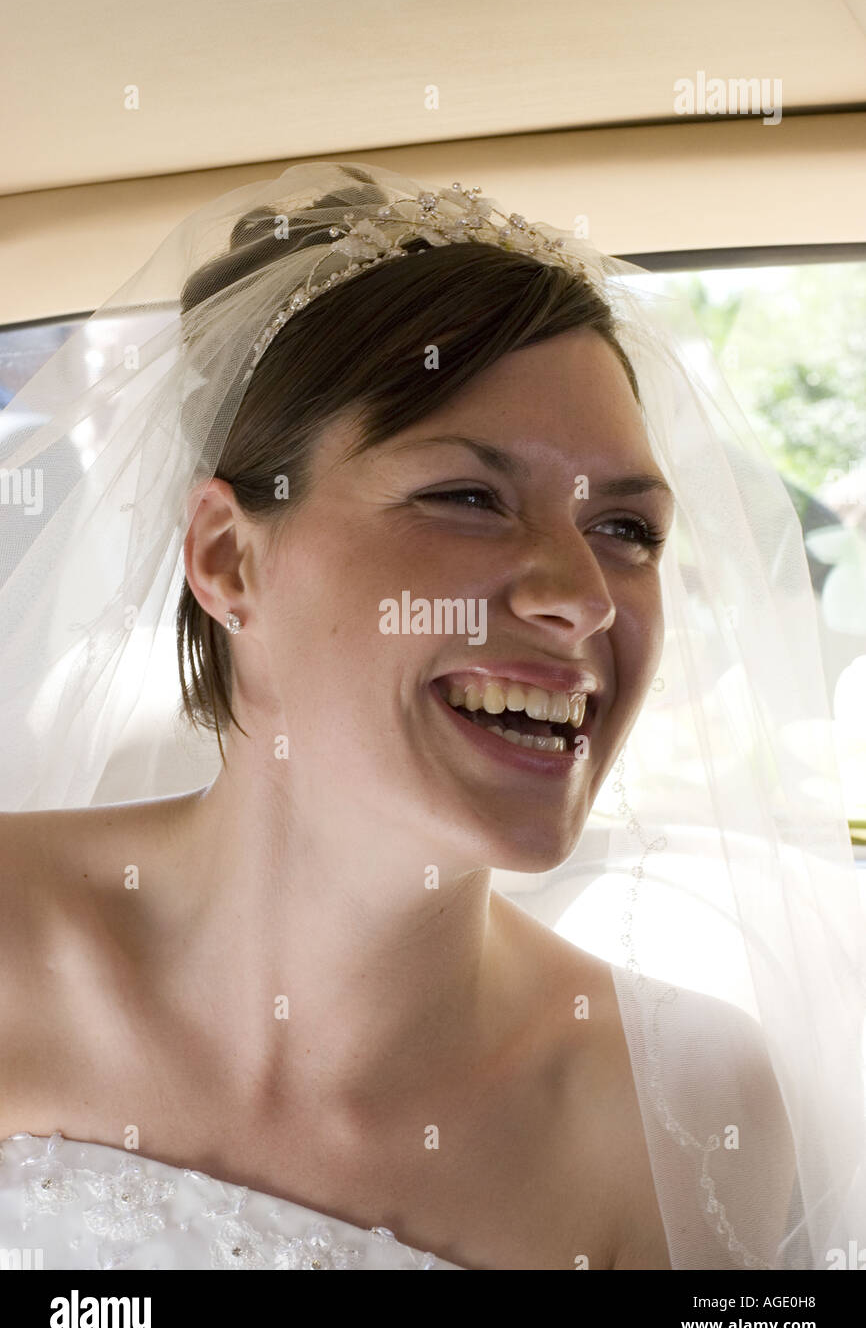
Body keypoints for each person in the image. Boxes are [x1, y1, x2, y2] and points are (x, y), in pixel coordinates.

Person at [0, 161, 862, 1271]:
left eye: (627, 530)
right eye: (466, 497)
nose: (582, 596)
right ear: (227, 559)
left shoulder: (682, 1110)